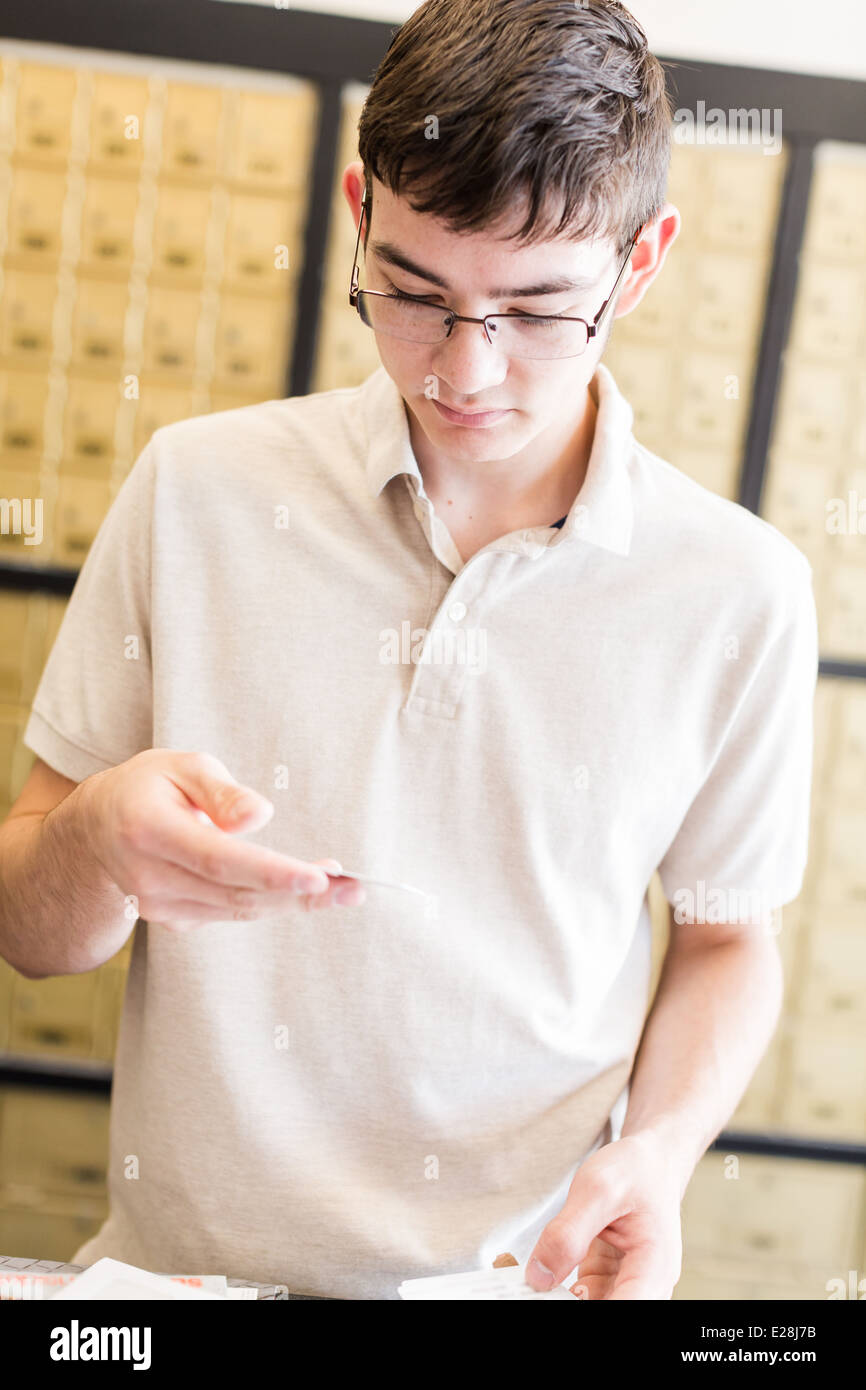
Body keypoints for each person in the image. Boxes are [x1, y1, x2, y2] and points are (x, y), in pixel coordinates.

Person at [0, 0, 817, 1300]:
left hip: (512, 1285)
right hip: (175, 1289)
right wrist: (93, 840)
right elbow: (31, 930)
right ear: (357, 213)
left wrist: (658, 1155)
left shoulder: (739, 592)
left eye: (540, 309)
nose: (465, 371)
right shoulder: (196, 488)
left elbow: (725, 939)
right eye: (414, 294)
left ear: (642, 262)